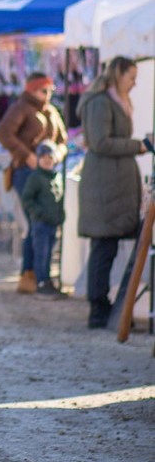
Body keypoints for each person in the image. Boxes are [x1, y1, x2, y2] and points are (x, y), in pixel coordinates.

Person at [76, 57, 152, 329]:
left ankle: (110, 308)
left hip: (114, 186)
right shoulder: (100, 102)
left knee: (108, 248)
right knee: (103, 247)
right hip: (103, 187)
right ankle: (98, 309)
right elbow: (100, 142)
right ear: (118, 74)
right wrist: (139, 146)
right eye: (131, 77)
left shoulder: (112, 100)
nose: (134, 83)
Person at [0, 72, 67, 294]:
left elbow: (63, 141)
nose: (47, 95)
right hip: (26, 173)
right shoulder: (21, 107)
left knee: (43, 224)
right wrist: (27, 155)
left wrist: (57, 155)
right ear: (31, 89)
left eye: (50, 91)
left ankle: (32, 275)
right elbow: (4, 133)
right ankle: (36, 277)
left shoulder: (51, 111)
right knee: (38, 223)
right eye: (43, 90)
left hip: (47, 173)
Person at [20, 142, 67, 298]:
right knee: (41, 253)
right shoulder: (35, 177)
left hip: (53, 223)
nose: (47, 160)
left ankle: (47, 281)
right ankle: (41, 282)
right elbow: (27, 199)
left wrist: (60, 215)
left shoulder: (56, 177)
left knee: (49, 254)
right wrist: (37, 213)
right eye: (44, 157)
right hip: (40, 223)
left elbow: (58, 199)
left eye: (50, 158)